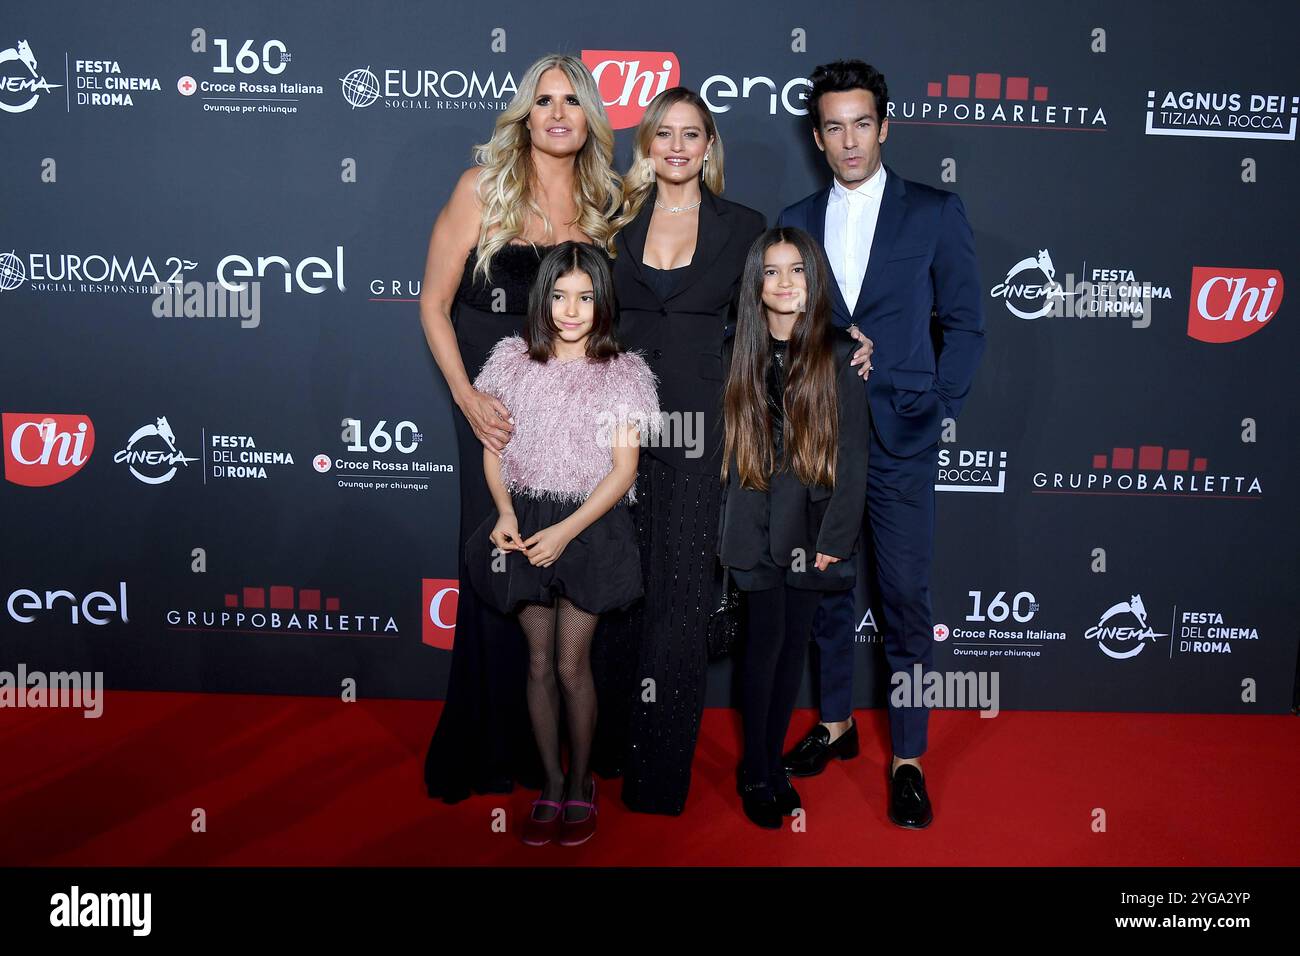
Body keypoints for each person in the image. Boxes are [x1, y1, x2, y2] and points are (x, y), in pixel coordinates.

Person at [776, 59, 986, 828]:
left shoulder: (933, 211)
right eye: (834, 125)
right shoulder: (795, 217)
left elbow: (965, 325)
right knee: (827, 594)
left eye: (863, 122)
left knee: (903, 601)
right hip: (823, 441)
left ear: (886, 125)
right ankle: (834, 725)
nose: (850, 139)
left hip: (901, 439)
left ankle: (907, 756)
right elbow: (782, 322)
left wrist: (931, 400)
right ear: (818, 136)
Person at [418, 54, 621, 804]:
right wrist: (468, 399)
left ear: (591, 117)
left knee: (573, 569)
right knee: (500, 563)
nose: (559, 113)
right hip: (493, 414)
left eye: (573, 100)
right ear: (524, 115)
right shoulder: (482, 190)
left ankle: (570, 759)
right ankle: (493, 744)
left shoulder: (607, 203)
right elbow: (433, 304)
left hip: (577, 420)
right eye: (544, 101)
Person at [591, 86, 766, 815]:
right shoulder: (614, 221)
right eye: (664, 133)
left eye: (692, 134)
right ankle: (604, 750)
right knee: (617, 584)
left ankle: (658, 775)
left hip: (698, 430)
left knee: (680, 595)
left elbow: (771, 319)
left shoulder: (744, 227)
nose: (677, 146)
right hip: (618, 426)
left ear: (708, 147)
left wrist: (846, 340)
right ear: (648, 145)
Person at [463, 242, 660, 846]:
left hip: (589, 528)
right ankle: (549, 782)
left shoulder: (623, 373)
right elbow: (494, 449)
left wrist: (566, 532)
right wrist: (502, 513)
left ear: (602, 302)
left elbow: (624, 472)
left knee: (573, 665)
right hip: (524, 523)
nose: (570, 310)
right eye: (558, 295)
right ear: (541, 298)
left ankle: (581, 782)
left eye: (584, 297)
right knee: (538, 663)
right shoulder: (509, 362)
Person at [717, 228, 869, 829]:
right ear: (756, 283)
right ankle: (755, 768)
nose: (784, 283)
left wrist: (836, 539)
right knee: (762, 648)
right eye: (771, 271)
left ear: (814, 279)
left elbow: (854, 456)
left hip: (810, 532)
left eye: (796, 270)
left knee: (789, 656)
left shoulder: (839, 354)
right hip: (753, 528)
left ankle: (771, 765)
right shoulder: (736, 353)